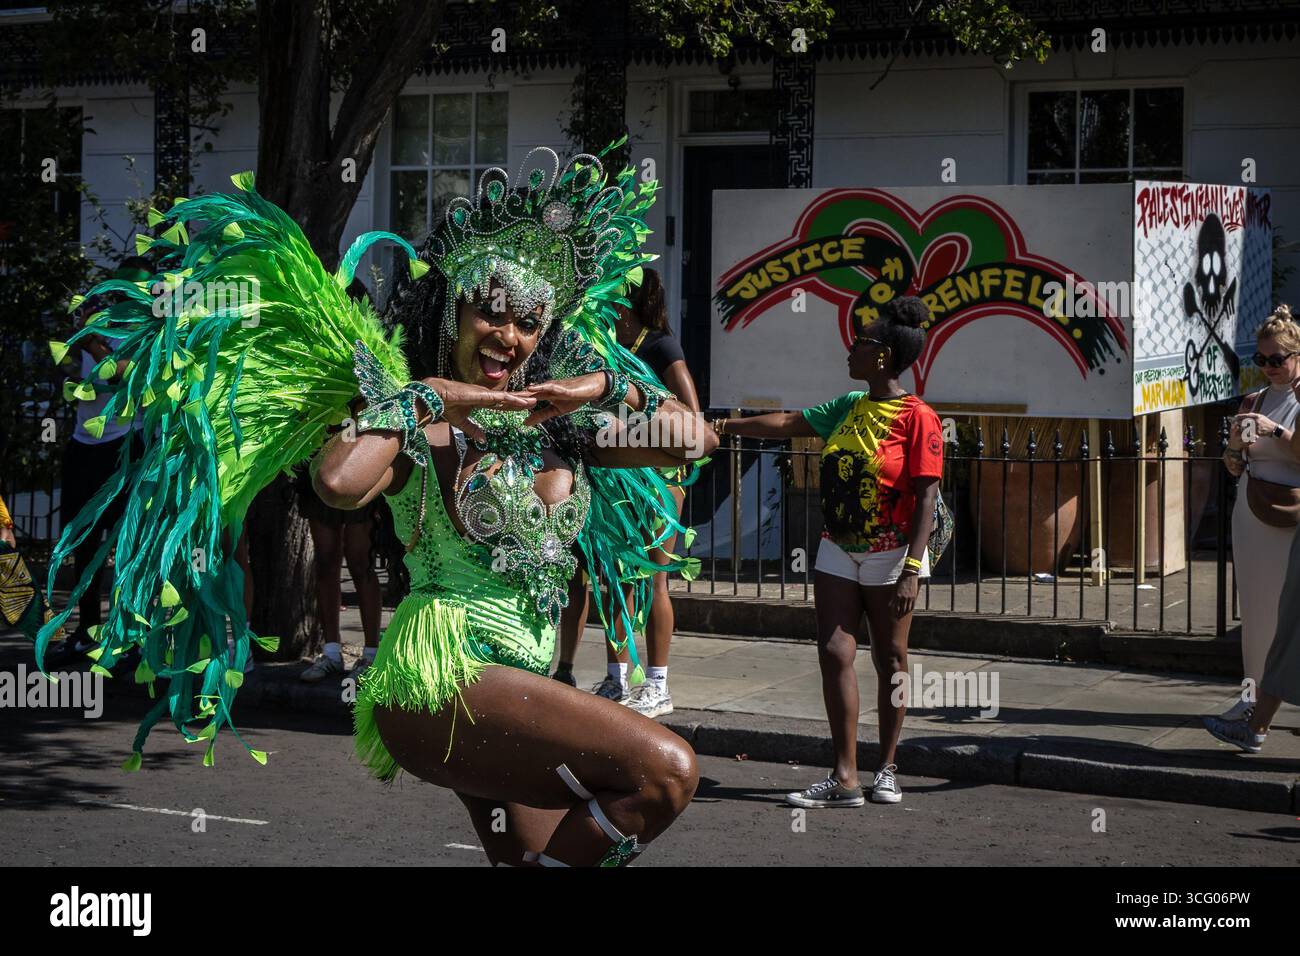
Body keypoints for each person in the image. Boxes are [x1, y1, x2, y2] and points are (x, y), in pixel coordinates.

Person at [38, 146, 715, 867]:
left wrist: (608, 386)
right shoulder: (411, 422)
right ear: (451, 310)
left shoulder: (563, 431)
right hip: (441, 677)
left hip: (517, 690)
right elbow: (335, 481)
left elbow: (694, 441)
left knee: (531, 861)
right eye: (491, 313)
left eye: (528, 323)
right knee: (666, 771)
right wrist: (428, 395)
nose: (508, 338)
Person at [712, 296, 942, 807]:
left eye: (859, 342)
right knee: (836, 651)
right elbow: (792, 423)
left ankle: (886, 767)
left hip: (892, 552)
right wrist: (726, 428)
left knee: (892, 657)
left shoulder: (918, 417)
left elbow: (926, 495)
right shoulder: (847, 407)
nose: (849, 350)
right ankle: (844, 777)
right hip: (838, 547)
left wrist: (910, 569)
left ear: (881, 355)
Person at [553, 267, 701, 718]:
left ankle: (658, 685)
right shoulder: (609, 348)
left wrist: (650, 439)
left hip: (660, 480)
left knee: (655, 579)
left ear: (625, 303)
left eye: (608, 299)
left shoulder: (661, 346)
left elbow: (692, 416)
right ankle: (619, 680)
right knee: (617, 581)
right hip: (620, 479)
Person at [46, 257, 149, 665]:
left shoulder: (146, 335)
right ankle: (87, 633)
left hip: (124, 449)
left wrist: (90, 340)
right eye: (119, 293)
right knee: (83, 546)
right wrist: (79, 341)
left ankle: (129, 640)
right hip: (82, 448)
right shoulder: (95, 331)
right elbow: (66, 369)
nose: (122, 300)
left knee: (126, 547)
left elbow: (125, 374)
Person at [299, 279, 385, 683]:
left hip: (360, 467)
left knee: (360, 560)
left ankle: (371, 653)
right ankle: (331, 652)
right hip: (322, 466)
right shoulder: (316, 349)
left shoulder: (372, 352)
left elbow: (375, 407)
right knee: (327, 559)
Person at [1216, 305, 1300, 719]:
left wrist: (1277, 431)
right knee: (1255, 610)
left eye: (1277, 359)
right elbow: (1233, 464)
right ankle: (1250, 699)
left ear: (1297, 355)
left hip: (1293, 516)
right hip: (1252, 511)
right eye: (1261, 359)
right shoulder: (1256, 399)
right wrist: (1234, 445)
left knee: (1292, 616)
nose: (1269, 367)